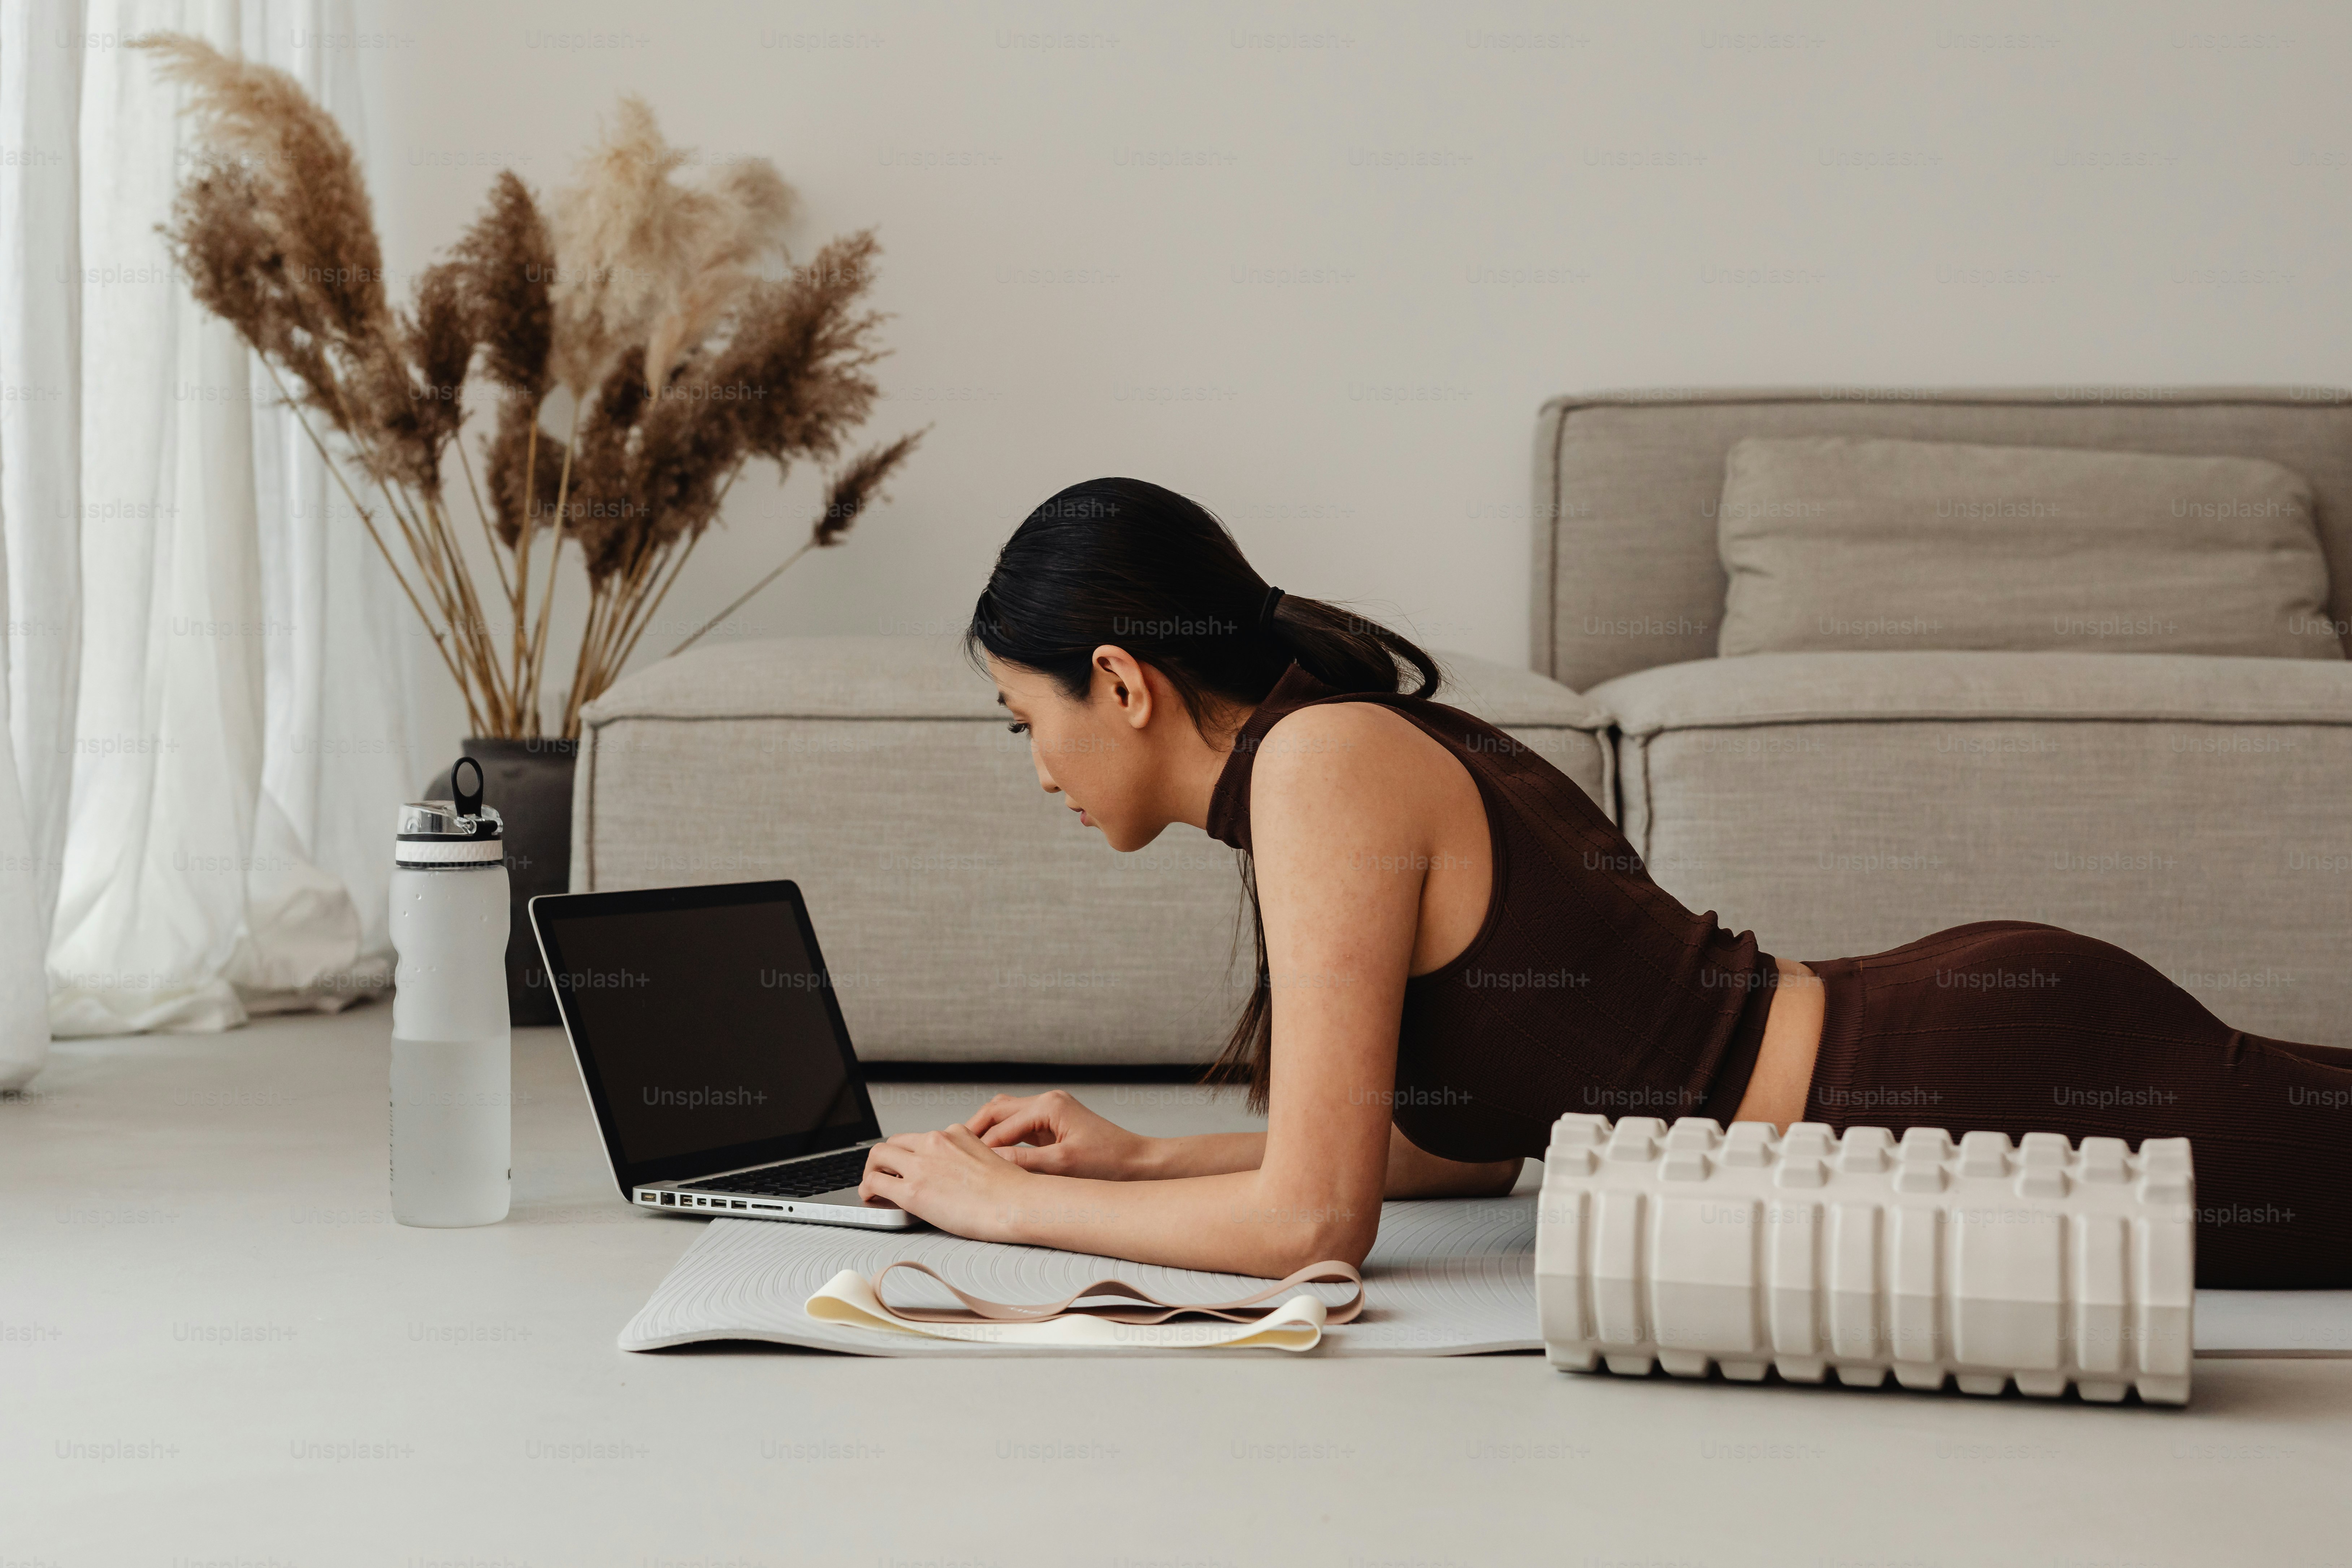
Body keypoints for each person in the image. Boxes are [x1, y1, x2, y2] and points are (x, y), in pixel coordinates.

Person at [857, 477, 2352, 1288]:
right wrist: (1140, 1162)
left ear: (1118, 682)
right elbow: (1478, 1143)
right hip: (1920, 1069)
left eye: (1023, 717)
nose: (1034, 764)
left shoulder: (1323, 769)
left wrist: (1008, 1215)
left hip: (1959, 1095)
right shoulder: (1323, 761)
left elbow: (1312, 1229)